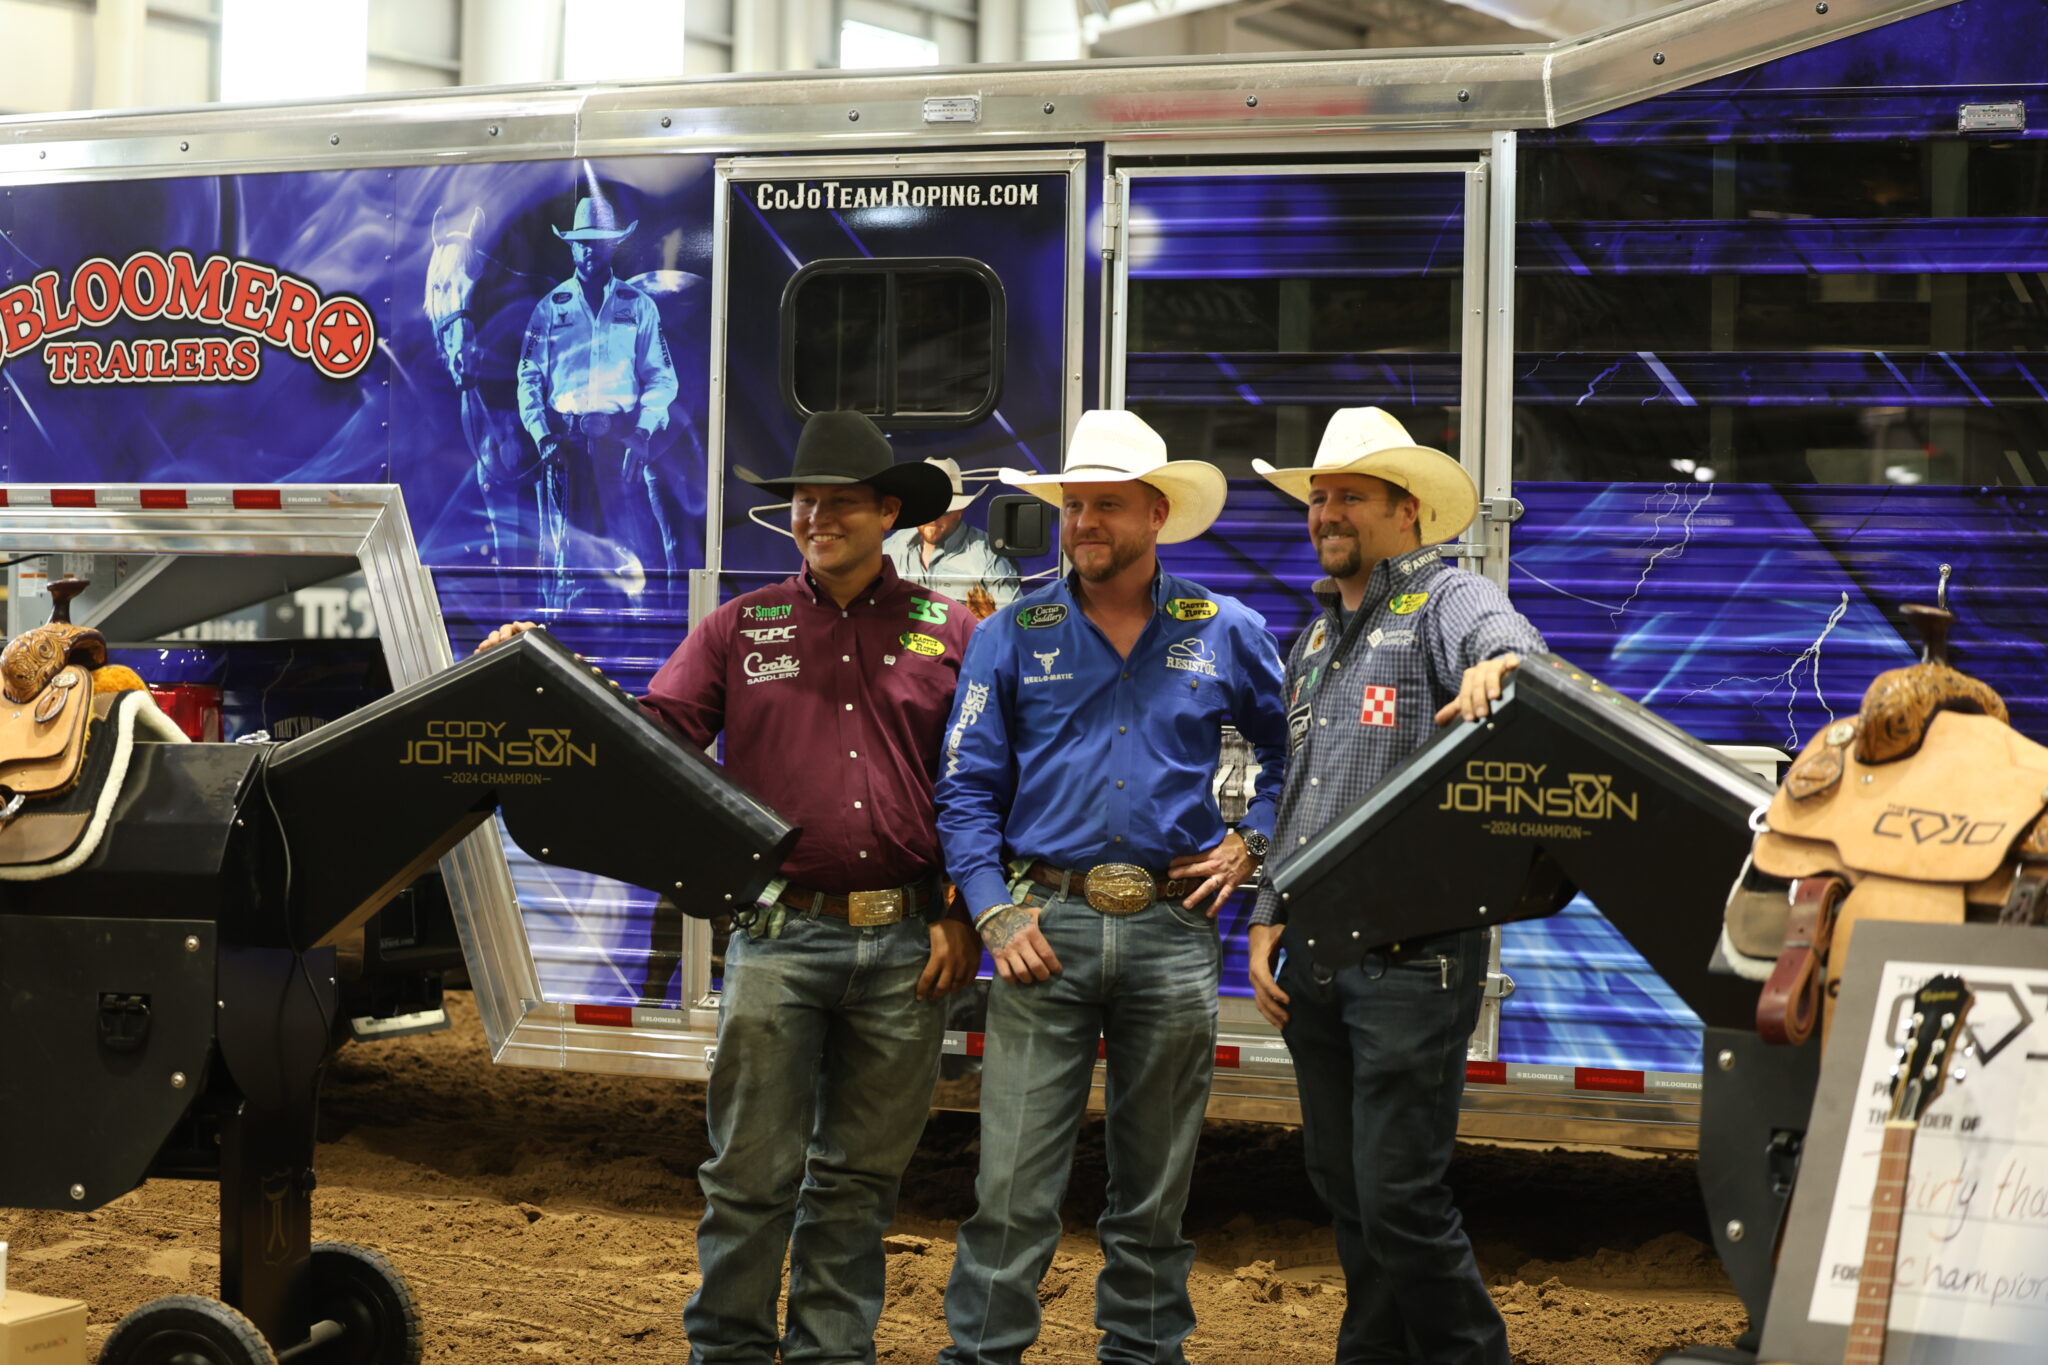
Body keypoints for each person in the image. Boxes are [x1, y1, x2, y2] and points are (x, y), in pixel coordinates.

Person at [476, 410, 981, 1365]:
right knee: (749, 1173)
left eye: (840, 501)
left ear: (888, 513)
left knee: (860, 1182)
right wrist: (544, 675)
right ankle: (729, 1352)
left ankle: (832, 1354)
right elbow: (654, 734)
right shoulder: (741, 628)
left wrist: (963, 914)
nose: (816, 517)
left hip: (910, 946)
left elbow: (979, 782)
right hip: (780, 937)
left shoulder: (950, 630)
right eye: (804, 501)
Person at [935, 408, 1290, 1365]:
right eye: (1073, 506)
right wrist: (992, 907)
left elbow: (1293, 755)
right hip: (1042, 929)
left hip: (1175, 936)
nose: (1084, 523)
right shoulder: (1011, 634)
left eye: (1106, 505)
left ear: (1156, 514)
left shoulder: (1227, 630)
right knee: (1011, 1187)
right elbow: (964, 788)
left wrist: (1252, 843)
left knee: (1155, 1191)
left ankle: (1143, 1352)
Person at [1245, 407, 1546, 1365]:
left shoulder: (1446, 595)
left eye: (1351, 495)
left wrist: (1502, 668)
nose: (1327, 512)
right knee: (1346, 1190)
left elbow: (1511, 643)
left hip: (1415, 957)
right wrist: (1268, 911)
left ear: (1406, 509)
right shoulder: (1312, 642)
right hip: (1317, 954)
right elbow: (1301, 791)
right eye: (1318, 496)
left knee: (1398, 1198)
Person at [516, 185, 679, 606]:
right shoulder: (550, 308)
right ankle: (569, 626)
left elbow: (661, 378)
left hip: (620, 444)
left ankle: (640, 627)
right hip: (565, 447)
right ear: (572, 248)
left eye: (599, 242)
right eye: (582, 243)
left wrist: (642, 433)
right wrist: (543, 437)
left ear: (612, 246)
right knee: (571, 557)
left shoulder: (638, 306)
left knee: (634, 553)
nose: (590, 250)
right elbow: (528, 375)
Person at [882, 456, 1021, 619]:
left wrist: (989, 620)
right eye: (926, 509)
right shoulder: (891, 549)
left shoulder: (989, 557)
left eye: (944, 511)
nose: (932, 518)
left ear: (960, 511)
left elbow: (1014, 624)